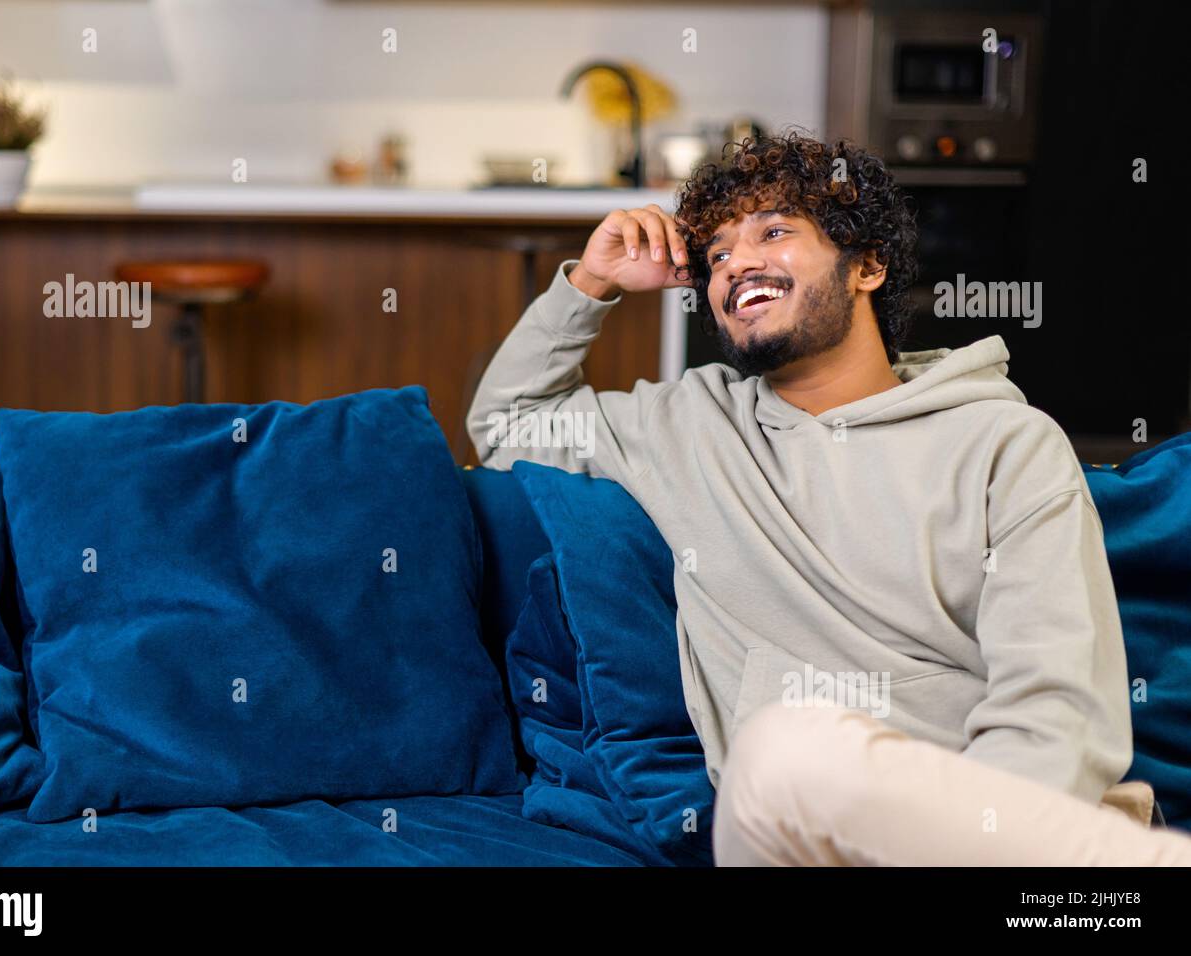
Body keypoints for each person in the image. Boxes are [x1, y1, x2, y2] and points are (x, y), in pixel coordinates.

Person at [467, 131, 1191, 865]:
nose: (736, 263)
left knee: (787, 752)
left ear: (868, 265)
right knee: (780, 753)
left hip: (1006, 830)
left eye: (774, 232)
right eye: (716, 255)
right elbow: (506, 426)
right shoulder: (689, 427)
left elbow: (1059, 709)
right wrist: (590, 284)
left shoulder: (1004, 444)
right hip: (797, 831)